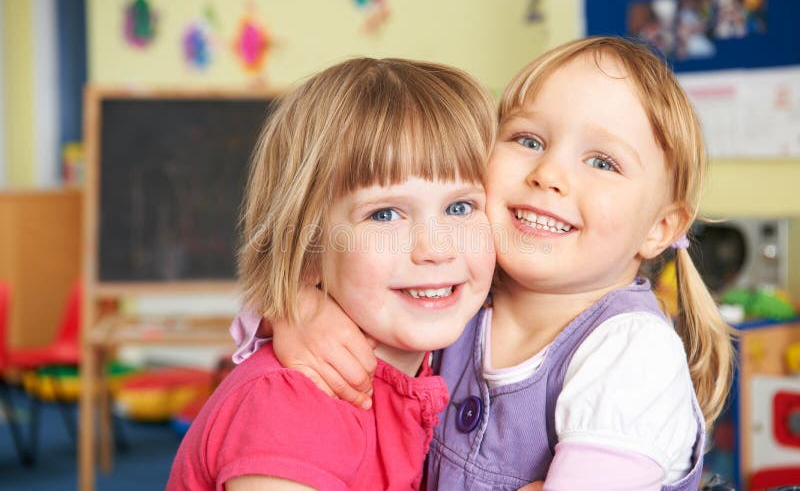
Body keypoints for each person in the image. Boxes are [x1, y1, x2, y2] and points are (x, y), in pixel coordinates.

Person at [234, 37, 735, 490]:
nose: (550, 173)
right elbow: (340, 286)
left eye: (602, 162)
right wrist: (300, 308)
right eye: (528, 140)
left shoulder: (633, 353)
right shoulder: (456, 291)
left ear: (661, 228)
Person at [167, 57, 498, 490]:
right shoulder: (291, 408)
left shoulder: (442, 342)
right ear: (309, 249)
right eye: (384, 214)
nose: (436, 249)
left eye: (460, 207)